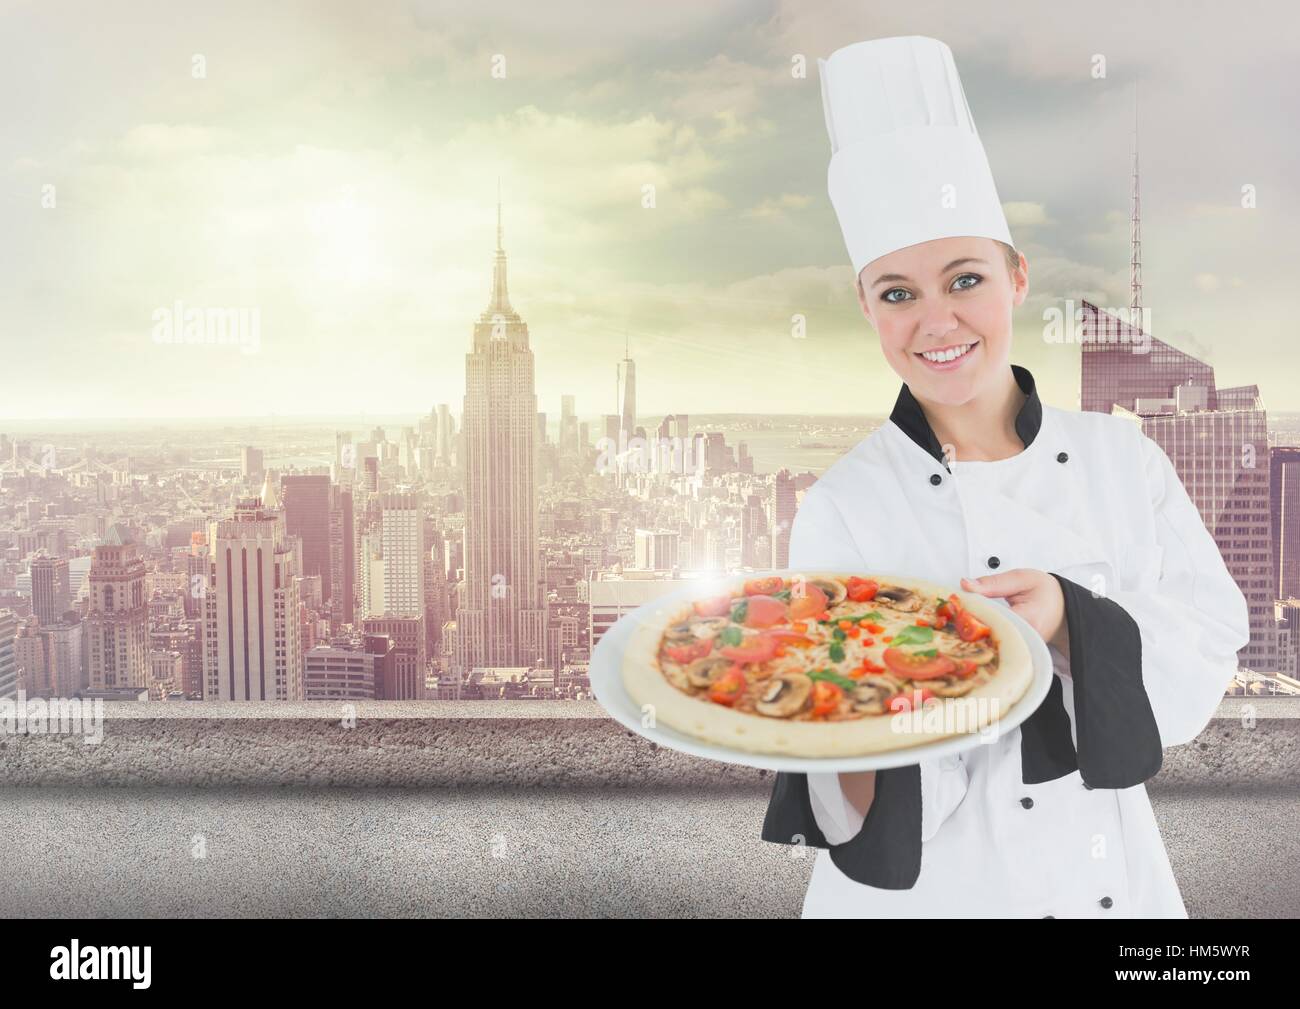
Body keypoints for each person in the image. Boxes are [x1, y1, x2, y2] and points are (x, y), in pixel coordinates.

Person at [759, 35, 1251, 918]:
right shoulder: (845, 507)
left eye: (965, 278)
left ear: (1018, 278)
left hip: (1113, 889)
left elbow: (1210, 642)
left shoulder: (1120, 458)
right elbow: (843, 783)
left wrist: (1069, 619)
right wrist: (888, 692)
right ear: (866, 306)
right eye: (898, 292)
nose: (936, 320)